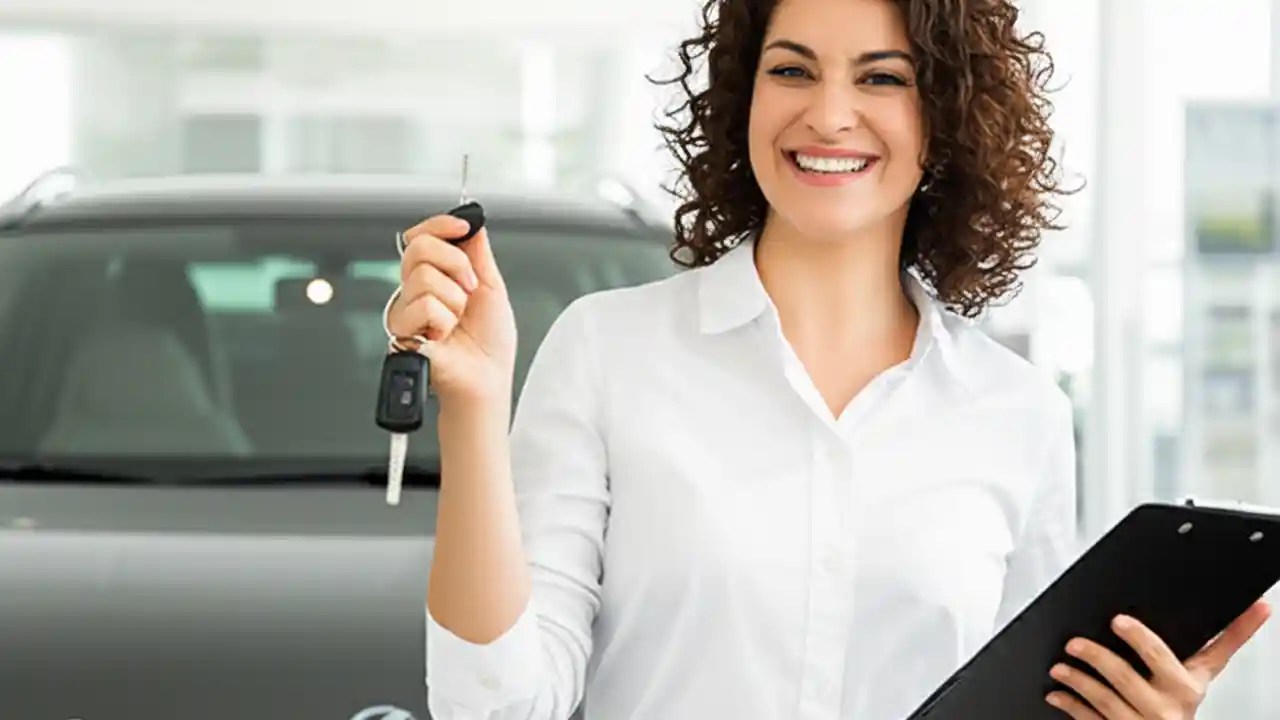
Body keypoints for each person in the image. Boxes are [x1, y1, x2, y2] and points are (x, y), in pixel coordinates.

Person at [387, 0, 1273, 718]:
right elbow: (493, 705)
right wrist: (472, 404)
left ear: (946, 121)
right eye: (792, 69)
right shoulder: (606, 349)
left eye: (882, 77)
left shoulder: (1019, 411)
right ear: (745, 97)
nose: (829, 113)